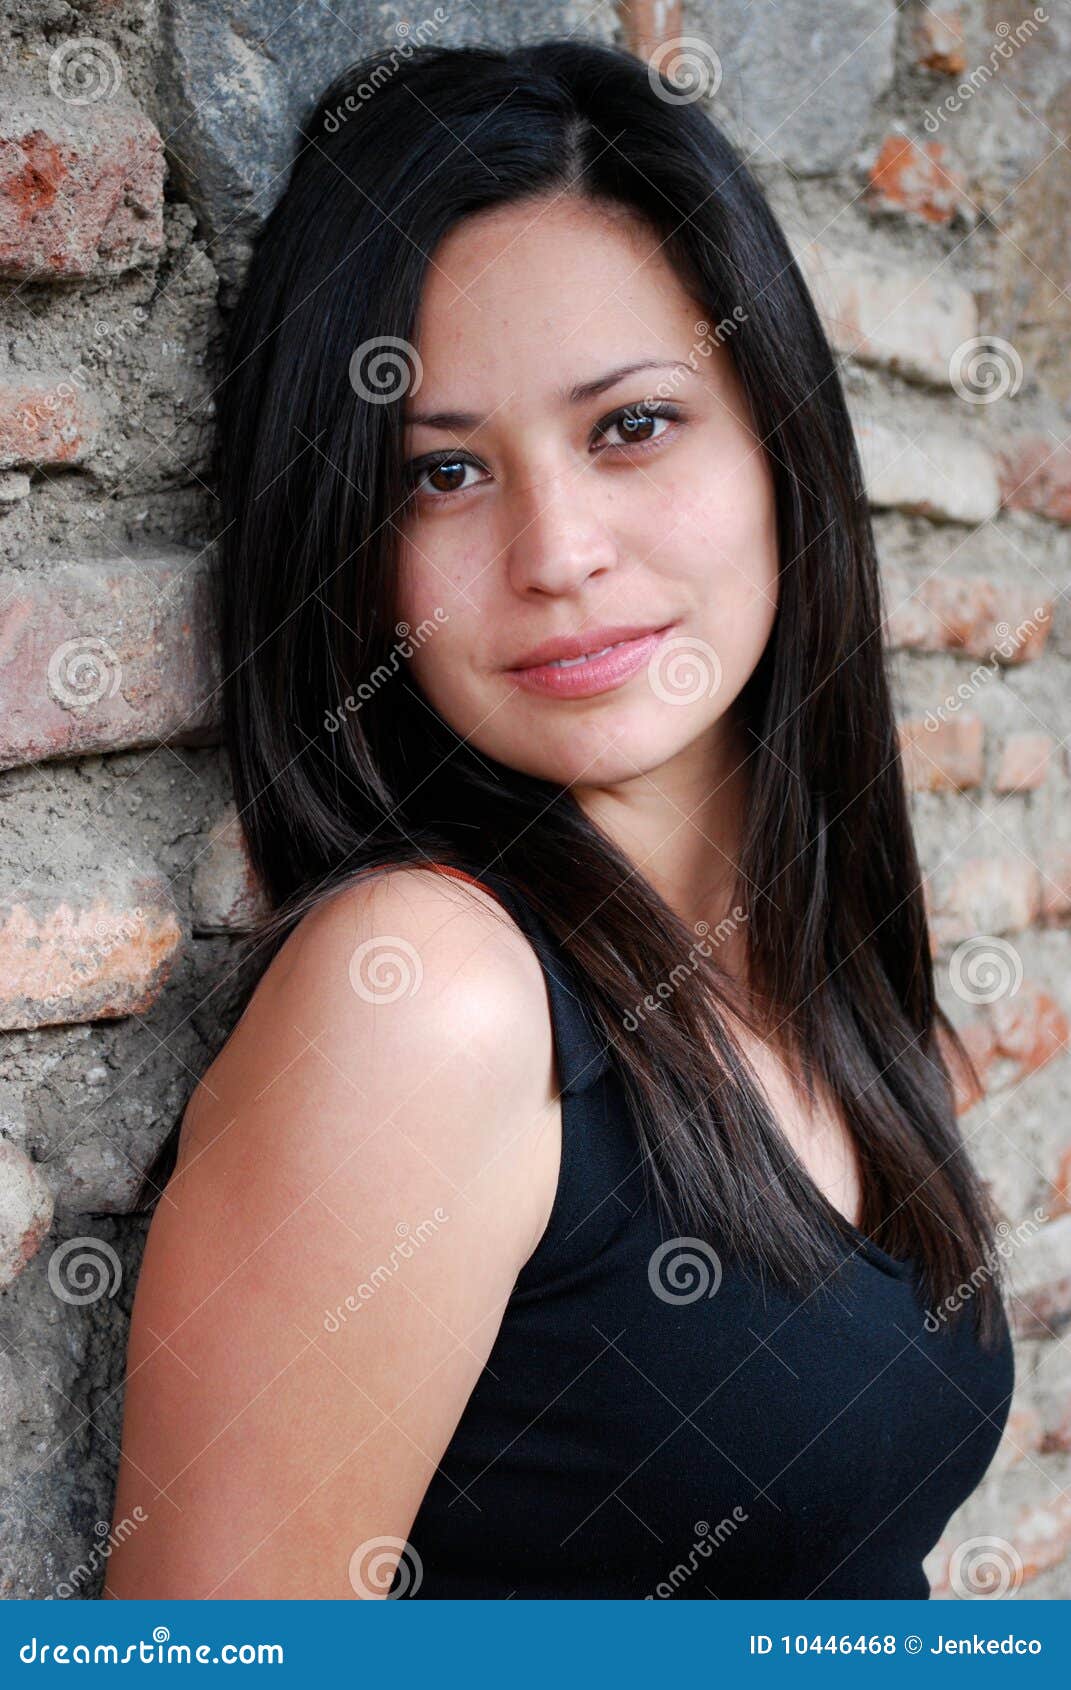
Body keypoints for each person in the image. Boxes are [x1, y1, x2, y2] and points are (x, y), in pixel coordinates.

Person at [105, 37, 1014, 1600]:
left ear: (778, 435)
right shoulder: (432, 999)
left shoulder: (848, 1002)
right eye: (443, 472)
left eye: (632, 426)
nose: (558, 550)